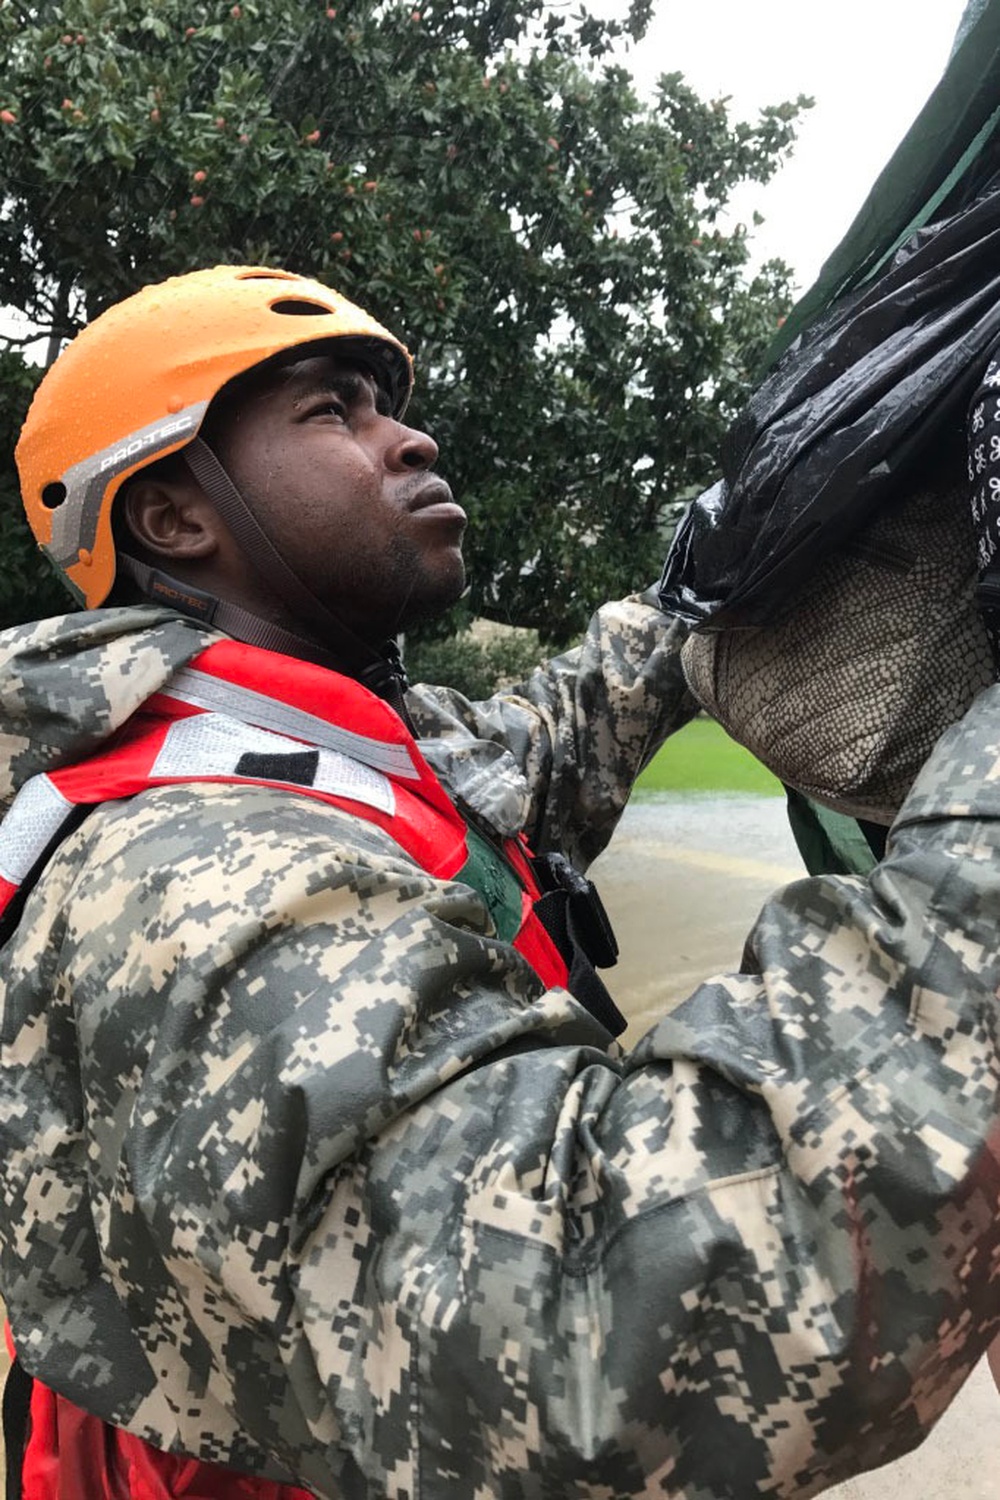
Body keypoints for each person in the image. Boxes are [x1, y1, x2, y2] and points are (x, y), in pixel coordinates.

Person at [0, 264, 998, 1500]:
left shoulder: (362, 743)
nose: (409, 434)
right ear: (172, 519)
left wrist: (724, 578)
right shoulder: (182, 866)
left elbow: (553, 740)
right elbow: (595, 1353)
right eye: (334, 410)